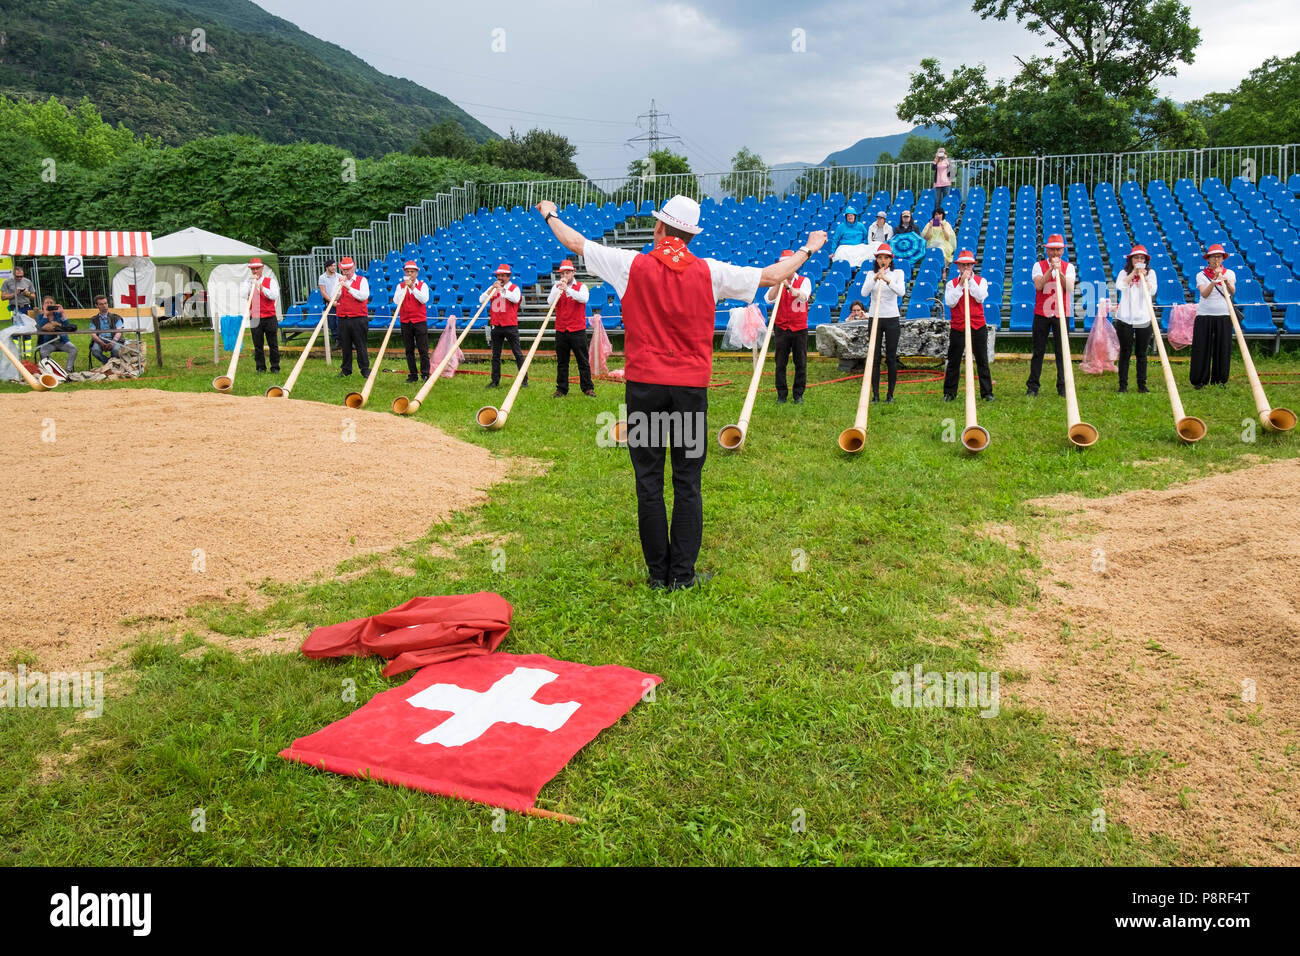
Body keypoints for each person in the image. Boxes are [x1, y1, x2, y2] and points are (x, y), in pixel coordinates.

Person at [536, 194, 826, 591]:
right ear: (690, 235)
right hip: (689, 388)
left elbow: (574, 243)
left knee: (649, 481)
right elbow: (773, 276)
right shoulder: (710, 272)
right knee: (687, 482)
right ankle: (682, 576)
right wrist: (810, 247)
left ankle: (658, 575)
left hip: (645, 387)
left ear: (659, 229)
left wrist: (550, 213)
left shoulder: (631, 264)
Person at [1026, 234, 1076, 397]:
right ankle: (1033, 387)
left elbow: (1069, 287)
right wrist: (1050, 270)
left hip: (1062, 314)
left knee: (1062, 351)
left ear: (1063, 251)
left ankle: (1063, 386)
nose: (1055, 253)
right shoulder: (1037, 266)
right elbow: (1039, 286)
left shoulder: (1068, 267)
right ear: (1047, 251)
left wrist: (1059, 272)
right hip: (1042, 313)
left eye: (1058, 249)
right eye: (1052, 249)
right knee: (1038, 351)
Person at [942, 249, 994, 402]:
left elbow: (979, 298)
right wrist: (960, 285)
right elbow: (950, 302)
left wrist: (969, 281)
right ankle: (950, 393)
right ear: (958, 267)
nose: (966, 268)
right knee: (954, 360)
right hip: (959, 326)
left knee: (982, 360)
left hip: (977, 325)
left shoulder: (981, 281)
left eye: (968, 265)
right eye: (963, 265)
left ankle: (987, 393)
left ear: (972, 266)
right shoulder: (951, 284)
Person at [765, 249, 813, 404]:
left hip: (799, 328)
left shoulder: (804, 280)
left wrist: (788, 287)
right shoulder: (777, 282)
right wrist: (778, 284)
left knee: (801, 363)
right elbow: (768, 299)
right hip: (781, 327)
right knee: (780, 363)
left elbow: (804, 296)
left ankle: (798, 394)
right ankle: (781, 394)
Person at [861, 242, 905, 404]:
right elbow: (864, 292)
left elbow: (901, 292)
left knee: (891, 357)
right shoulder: (869, 274)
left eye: (886, 257)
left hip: (892, 317)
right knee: (874, 356)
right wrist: (875, 278)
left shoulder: (898, 273)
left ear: (890, 259)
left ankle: (890, 394)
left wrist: (886, 279)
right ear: (876, 260)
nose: (883, 260)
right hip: (875, 317)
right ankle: (875, 394)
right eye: (880, 257)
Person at [1114, 244, 1158, 393]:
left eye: (1142, 258)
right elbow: (1120, 286)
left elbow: (1153, 291)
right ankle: (1122, 385)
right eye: (1136, 258)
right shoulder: (1123, 273)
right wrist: (1133, 274)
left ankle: (1142, 385)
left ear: (1146, 261)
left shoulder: (1151, 273)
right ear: (1131, 260)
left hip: (1143, 317)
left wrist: (1143, 277)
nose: (1139, 260)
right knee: (1125, 352)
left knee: (1141, 353)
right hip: (1125, 317)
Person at [1191, 243, 1235, 389]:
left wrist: (1225, 280)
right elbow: (1204, 293)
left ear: (1223, 259)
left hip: (1224, 314)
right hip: (1204, 314)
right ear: (1208, 259)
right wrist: (1214, 281)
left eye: (1219, 256)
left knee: (1223, 347)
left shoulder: (1230, 273)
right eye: (1214, 256)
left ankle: (1220, 379)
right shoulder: (1201, 275)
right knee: (1201, 348)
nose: (1217, 259)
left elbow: (1232, 291)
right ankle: (1199, 380)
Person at [548, 259, 594, 398]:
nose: (564, 276)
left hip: (577, 330)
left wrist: (567, 289)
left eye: (567, 272)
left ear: (573, 272)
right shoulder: (556, 287)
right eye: (562, 273)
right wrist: (558, 289)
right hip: (561, 329)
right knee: (562, 362)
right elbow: (550, 302)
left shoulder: (581, 286)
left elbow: (583, 299)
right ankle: (561, 389)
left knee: (583, 361)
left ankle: (587, 388)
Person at [480, 263, 527, 389]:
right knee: (495, 355)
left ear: (508, 276)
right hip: (497, 325)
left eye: (503, 275)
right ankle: (495, 381)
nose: (500, 278)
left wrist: (502, 290)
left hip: (510, 325)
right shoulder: (493, 288)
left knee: (517, 353)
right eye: (498, 275)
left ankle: (523, 380)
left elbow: (516, 299)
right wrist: (491, 289)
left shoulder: (514, 288)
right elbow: (481, 299)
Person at [394, 260, 431, 383]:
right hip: (405, 321)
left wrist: (412, 287)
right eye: (407, 271)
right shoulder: (400, 286)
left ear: (417, 273)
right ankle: (412, 374)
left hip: (419, 321)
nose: (410, 274)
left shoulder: (423, 285)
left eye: (412, 272)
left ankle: (425, 374)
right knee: (409, 349)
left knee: (423, 349)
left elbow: (423, 299)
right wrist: (405, 287)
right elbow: (396, 301)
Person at [335, 256, 371, 378]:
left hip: (358, 318)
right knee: (345, 345)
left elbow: (363, 296)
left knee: (360, 345)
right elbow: (334, 297)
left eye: (348, 270)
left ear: (353, 268)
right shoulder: (339, 281)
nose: (346, 272)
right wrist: (339, 288)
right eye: (344, 270)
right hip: (343, 318)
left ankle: (365, 370)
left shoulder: (362, 280)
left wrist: (348, 287)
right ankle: (346, 370)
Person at [242, 257, 280, 373]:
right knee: (257, 344)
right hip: (255, 317)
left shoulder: (270, 281)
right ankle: (260, 367)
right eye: (252, 269)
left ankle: (275, 367)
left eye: (257, 269)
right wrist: (250, 284)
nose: (254, 271)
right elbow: (243, 295)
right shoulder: (248, 282)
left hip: (269, 316)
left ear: (262, 268)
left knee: (273, 344)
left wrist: (260, 286)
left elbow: (274, 296)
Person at [36, 295, 78, 371]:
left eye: (51, 303)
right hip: (49, 342)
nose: (49, 304)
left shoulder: (58, 315)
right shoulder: (41, 316)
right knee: (43, 352)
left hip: (62, 341)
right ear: (43, 305)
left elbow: (67, 326)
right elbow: (40, 328)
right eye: (47, 303)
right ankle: (49, 370)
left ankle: (68, 370)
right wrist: (45, 315)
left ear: (55, 304)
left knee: (73, 349)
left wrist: (62, 313)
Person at [89, 295, 125, 365]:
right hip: (100, 340)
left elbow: (119, 332)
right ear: (97, 305)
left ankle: (112, 365)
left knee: (116, 350)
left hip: (114, 339)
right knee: (95, 350)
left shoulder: (116, 317)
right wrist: (100, 343)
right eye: (101, 304)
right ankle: (108, 363)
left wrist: (113, 342)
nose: (104, 306)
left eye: (105, 303)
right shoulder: (93, 319)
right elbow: (93, 334)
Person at [318, 258, 341, 341]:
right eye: (331, 266)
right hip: (329, 302)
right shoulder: (322, 277)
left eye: (334, 265)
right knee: (332, 322)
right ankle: (336, 340)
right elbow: (323, 292)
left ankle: (344, 340)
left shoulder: (339, 276)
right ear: (327, 267)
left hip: (339, 301)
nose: (334, 267)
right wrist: (332, 302)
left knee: (341, 321)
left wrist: (337, 301)